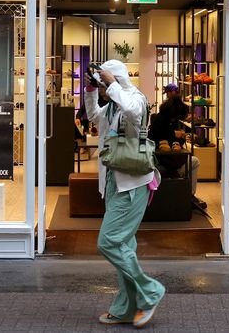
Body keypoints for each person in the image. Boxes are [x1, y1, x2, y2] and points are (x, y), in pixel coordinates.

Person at [84, 60, 165, 328]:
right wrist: (91, 90)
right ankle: (125, 308)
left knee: (108, 242)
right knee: (124, 248)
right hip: (113, 184)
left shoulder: (134, 98)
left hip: (132, 186)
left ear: (114, 79)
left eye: (103, 82)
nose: (103, 88)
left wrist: (114, 84)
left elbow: (133, 113)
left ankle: (150, 292)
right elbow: (94, 117)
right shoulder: (111, 104)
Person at [151, 83, 205, 209]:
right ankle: (189, 195)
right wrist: (174, 135)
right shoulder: (163, 122)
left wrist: (178, 138)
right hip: (163, 161)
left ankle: (188, 195)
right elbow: (158, 138)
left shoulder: (163, 119)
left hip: (167, 160)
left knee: (194, 161)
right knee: (194, 162)